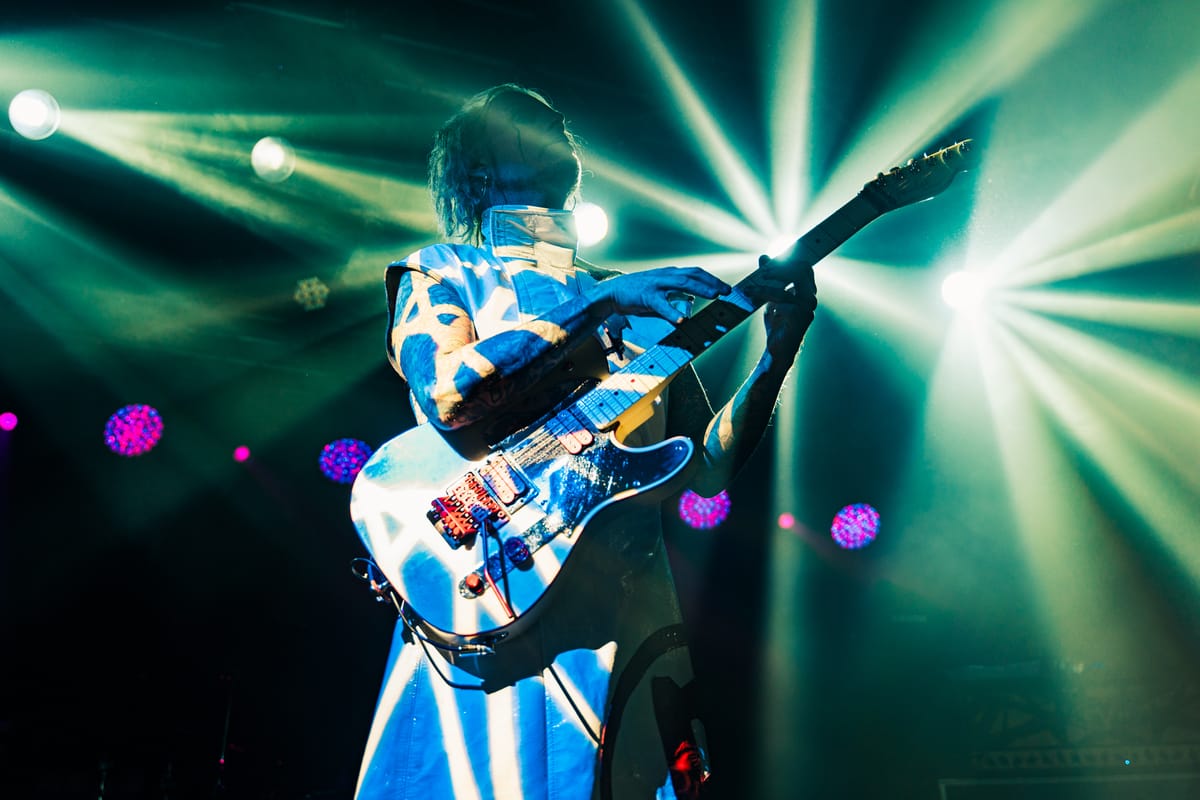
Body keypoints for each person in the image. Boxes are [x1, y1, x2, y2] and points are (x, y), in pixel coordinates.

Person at [354, 84, 817, 800]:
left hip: (624, 618)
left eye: (557, 124)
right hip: (488, 595)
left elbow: (709, 470)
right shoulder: (444, 270)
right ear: (479, 171)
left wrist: (775, 356)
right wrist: (603, 301)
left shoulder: (631, 309)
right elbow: (447, 393)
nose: (555, 133)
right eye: (527, 127)